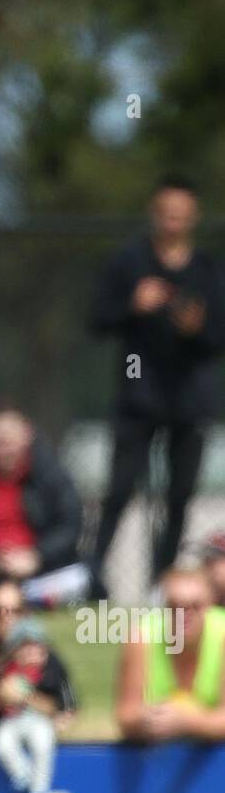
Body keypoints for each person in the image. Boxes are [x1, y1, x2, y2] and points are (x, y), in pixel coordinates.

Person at [90, 176, 225, 588]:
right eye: (166, 214)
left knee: (179, 496)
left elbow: (217, 337)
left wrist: (196, 328)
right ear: (155, 213)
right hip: (138, 397)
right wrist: (133, 305)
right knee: (118, 491)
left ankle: (162, 583)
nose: (173, 222)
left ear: (193, 217)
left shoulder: (207, 270)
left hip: (190, 400)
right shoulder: (129, 262)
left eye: (181, 215)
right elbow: (96, 320)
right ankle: (91, 577)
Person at [0, 398, 83, 585]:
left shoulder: (49, 475)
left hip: (36, 569)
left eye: (6, 442)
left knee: (77, 579)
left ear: (27, 435)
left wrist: (37, 556)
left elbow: (69, 527)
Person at [116, 567, 225, 743]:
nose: (183, 616)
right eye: (175, 607)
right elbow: (126, 715)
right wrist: (146, 719)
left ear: (210, 606)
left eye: (194, 607)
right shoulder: (141, 638)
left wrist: (187, 722)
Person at [0, 617, 75, 793]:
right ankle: (20, 773)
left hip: (38, 721)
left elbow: (60, 706)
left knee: (43, 741)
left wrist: (26, 697)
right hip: (11, 720)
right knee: (2, 743)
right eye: (25, 649)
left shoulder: (50, 674)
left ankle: (40, 782)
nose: (32, 654)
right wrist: (0, 698)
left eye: (37, 649)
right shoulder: (3, 672)